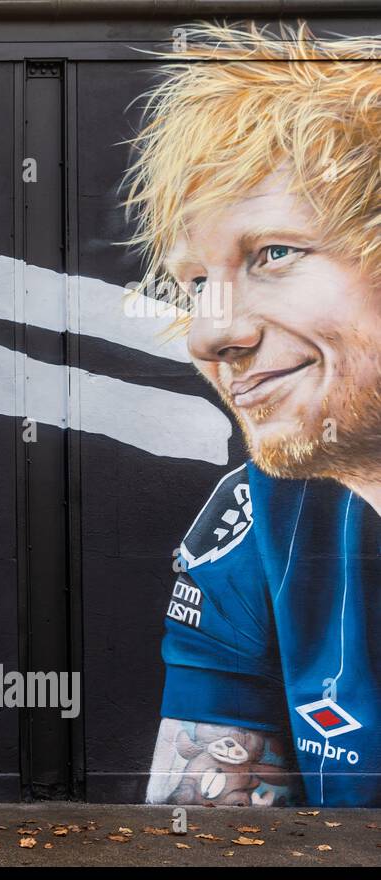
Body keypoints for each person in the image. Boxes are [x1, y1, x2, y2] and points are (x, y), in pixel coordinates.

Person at [122, 20, 381, 805]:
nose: (211, 334)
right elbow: (205, 847)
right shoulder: (259, 520)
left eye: (274, 253)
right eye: (196, 283)